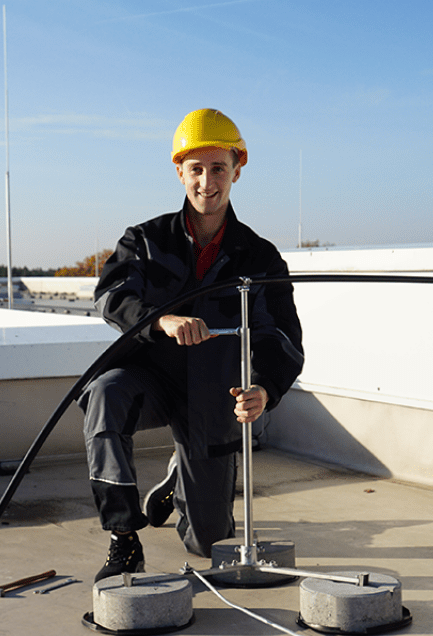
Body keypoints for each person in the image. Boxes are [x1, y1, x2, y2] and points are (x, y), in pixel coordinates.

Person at [79, 108, 304, 581]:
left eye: (218, 168)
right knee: (104, 396)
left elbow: (283, 337)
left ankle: (182, 477)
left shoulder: (259, 256)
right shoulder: (144, 240)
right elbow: (110, 296)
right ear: (179, 171)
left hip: (214, 396)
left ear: (237, 169)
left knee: (208, 543)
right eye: (196, 169)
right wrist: (161, 320)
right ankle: (123, 538)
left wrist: (265, 389)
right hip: (150, 380)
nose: (207, 182)